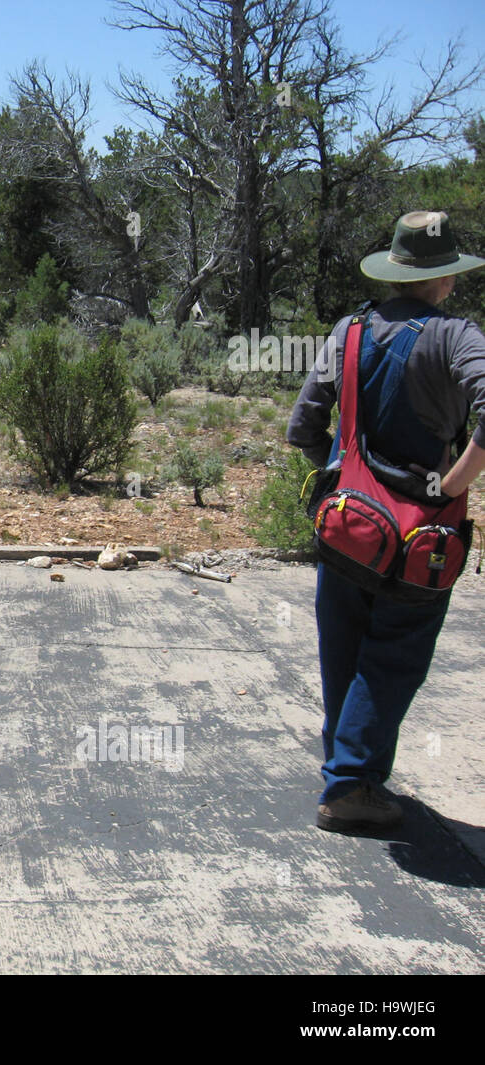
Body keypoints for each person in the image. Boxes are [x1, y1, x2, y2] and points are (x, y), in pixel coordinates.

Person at [287, 210, 485, 833]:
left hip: (349, 527)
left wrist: (347, 473)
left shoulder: (348, 330)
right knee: (393, 658)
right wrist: (450, 487)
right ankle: (351, 785)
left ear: (396, 271)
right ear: (447, 278)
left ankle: (344, 771)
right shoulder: (458, 337)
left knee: (341, 650)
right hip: (421, 538)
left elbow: (302, 428)